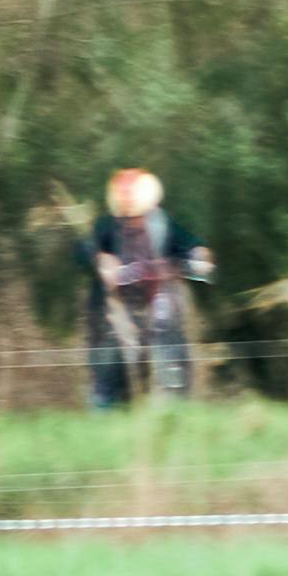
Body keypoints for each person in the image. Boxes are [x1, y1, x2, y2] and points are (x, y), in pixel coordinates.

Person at [79, 169, 211, 406]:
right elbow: (84, 250)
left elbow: (190, 245)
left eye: (139, 214)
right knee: (108, 378)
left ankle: (170, 418)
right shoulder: (106, 226)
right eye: (128, 216)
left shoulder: (162, 224)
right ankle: (104, 419)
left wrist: (199, 256)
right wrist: (101, 260)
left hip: (159, 314)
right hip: (115, 316)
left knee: (172, 373)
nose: (133, 220)